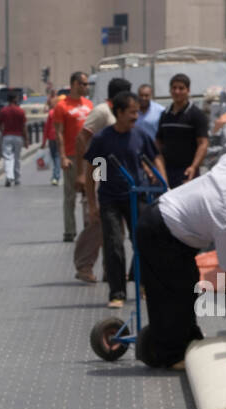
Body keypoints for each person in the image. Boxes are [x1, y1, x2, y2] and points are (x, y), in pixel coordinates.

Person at [136, 152, 226, 369]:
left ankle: (188, 338)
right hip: (160, 232)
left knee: (189, 282)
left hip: (167, 221)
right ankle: (169, 356)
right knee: (171, 292)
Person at [83, 90, 162, 309]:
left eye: (137, 112)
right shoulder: (102, 139)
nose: (135, 117)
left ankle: (144, 285)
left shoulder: (140, 136)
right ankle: (117, 292)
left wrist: (162, 183)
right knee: (114, 245)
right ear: (118, 112)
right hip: (110, 199)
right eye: (131, 112)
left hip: (137, 197)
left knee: (143, 243)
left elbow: (155, 159)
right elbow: (94, 171)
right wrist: (92, 203)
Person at [72, 77, 132, 284]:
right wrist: (82, 172)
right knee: (96, 222)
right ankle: (84, 265)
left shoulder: (118, 114)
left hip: (115, 175)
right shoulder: (101, 112)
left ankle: (111, 270)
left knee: (116, 227)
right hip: (99, 168)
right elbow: (82, 138)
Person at [49, 72, 93, 248]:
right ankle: (69, 230)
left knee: (90, 194)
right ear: (74, 84)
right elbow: (58, 133)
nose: (86, 87)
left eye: (87, 84)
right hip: (72, 156)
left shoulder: (89, 105)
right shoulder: (62, 106)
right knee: (70, 196)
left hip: (91, 156)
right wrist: (62, 157)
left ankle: (89, 228)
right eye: (83, 84)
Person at [156, 73, 209, 189]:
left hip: (187, 172)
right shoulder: (165, 115)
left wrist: (194, 167)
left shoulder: (196, 115)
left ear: (188, 90)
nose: (177, 91)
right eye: (174, 88)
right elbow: (159, 142)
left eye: (181, 88)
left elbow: (203, 144)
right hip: (166, 172)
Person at [0, 93, 27, 187]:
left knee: (8, 157)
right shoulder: (20, 111)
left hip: (7, 136)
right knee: (17, 158)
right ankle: (17, 178)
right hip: (18, 137)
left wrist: (3, 132)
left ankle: (9, 177)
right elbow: (24, 127)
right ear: (14, 100)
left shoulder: (3, 111)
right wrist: (26, 139)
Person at [44, 92, 65, 186]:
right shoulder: (63, 112)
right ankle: (56, 176)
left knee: (55, 156)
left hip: (52, 138)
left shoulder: (51, 112)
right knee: (56, 157)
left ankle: (55, 176)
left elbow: (46, 128)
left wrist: (43, 141)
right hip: (60, 137)